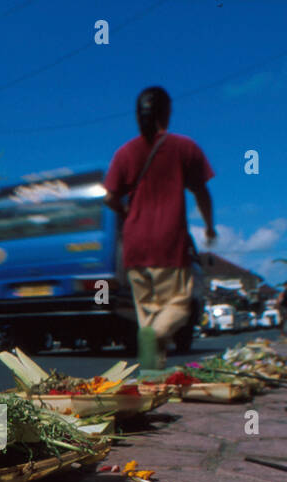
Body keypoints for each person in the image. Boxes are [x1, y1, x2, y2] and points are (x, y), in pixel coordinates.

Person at [104, 86, 216, 365]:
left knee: (147, 312)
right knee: (178, 305)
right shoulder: (184, 147)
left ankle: (152, 376)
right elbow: (201, 192)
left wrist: (128, 210)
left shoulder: (124, 153)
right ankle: (155, 336)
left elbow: (109, 198)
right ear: (167, 113)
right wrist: (210, 227)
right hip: (169, 244)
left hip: (135, 245)